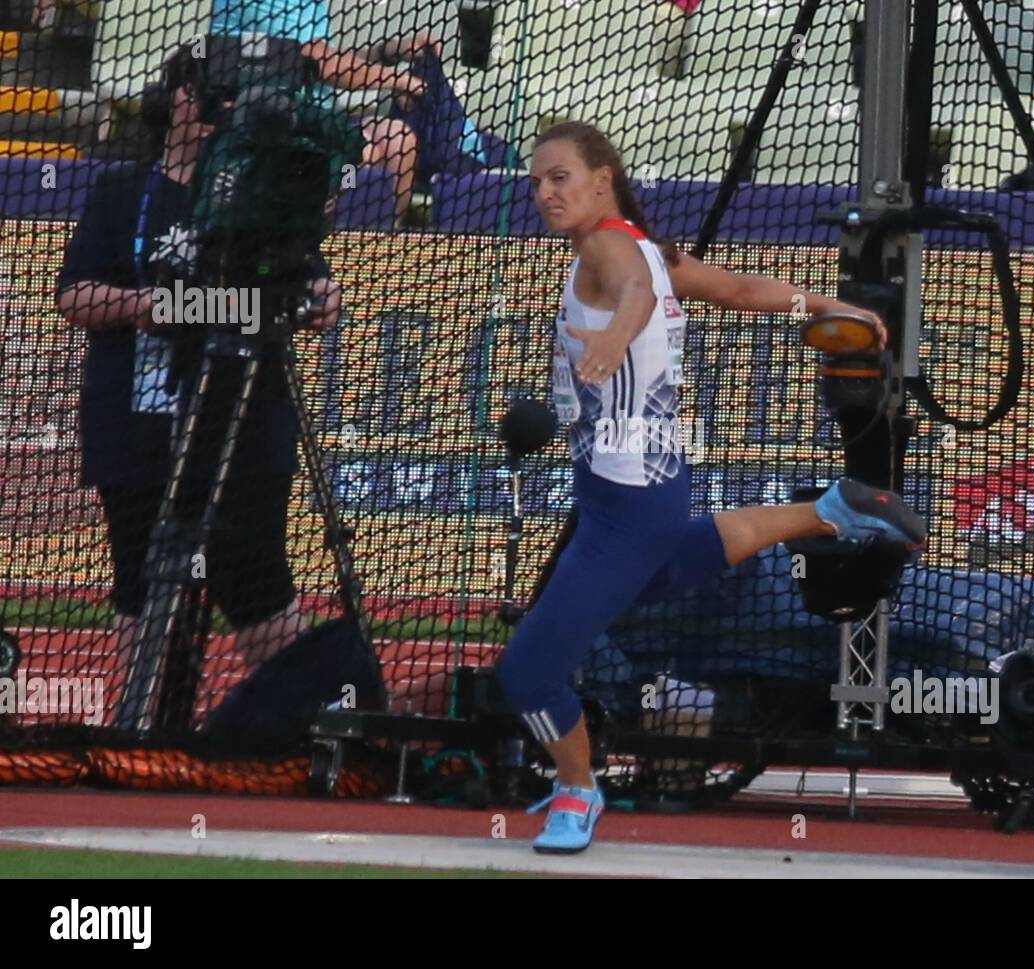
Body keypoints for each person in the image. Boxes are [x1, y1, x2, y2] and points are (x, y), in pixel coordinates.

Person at [500, 121, 927, 853]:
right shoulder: (647, 247)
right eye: (536, 181)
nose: (544, 192)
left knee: (530, 671)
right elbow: (737, 288)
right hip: (639, 486)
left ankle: (578, 789)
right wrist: (825, 306)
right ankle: (826, 510)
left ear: (602, 178)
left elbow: (633, 294)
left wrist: (610, 339)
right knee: (660, 573)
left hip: (626, 502)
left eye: (559, 177)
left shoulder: (613, 250)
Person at [54, 45, 342, 714]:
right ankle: (144, 722)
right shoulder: (122, 189)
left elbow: (308, 288)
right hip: (140, 425)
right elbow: (72, 296)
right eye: (203, 91)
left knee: (255, 577)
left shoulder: (266, 190)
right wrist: (143, 306)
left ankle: (294, 723)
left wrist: (320, 299)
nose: (218, 106)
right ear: (175, 102)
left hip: (244, 425)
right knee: (143, 580)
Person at [209, 0, 433, 223]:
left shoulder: (312, 4)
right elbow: (325, 64)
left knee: (398, 140)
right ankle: (312, 244)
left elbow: (328, 62)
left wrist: (389, 52)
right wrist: (398, 80)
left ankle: (381, 246)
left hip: (319, 118)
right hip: (263, 122)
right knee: (363, 153)